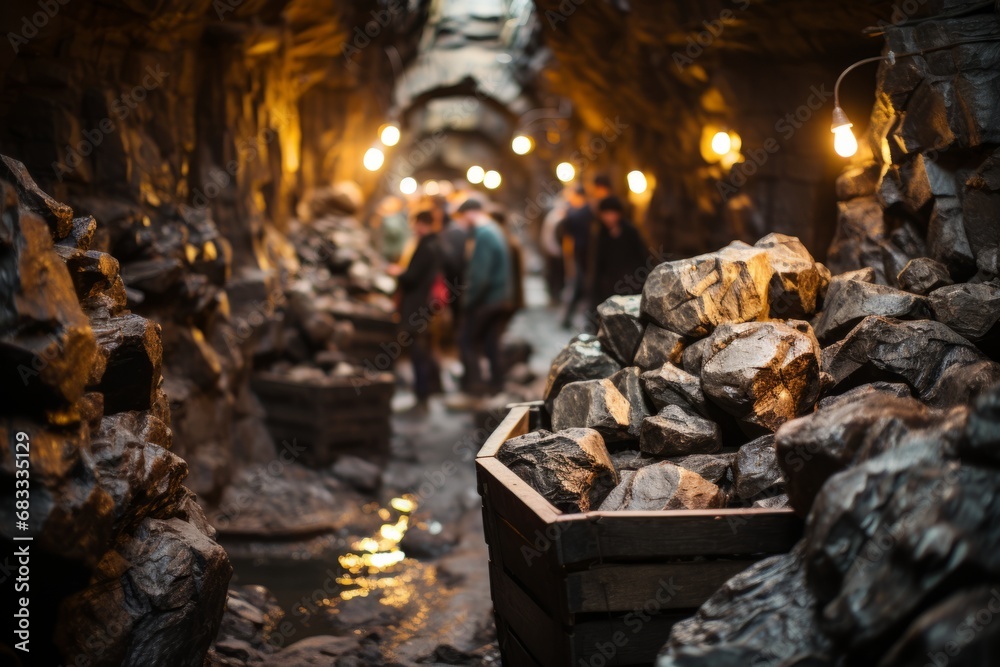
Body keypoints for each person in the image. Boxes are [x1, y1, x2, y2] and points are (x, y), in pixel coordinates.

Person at [453, 198, 511, 396]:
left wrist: (468, 301)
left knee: (466, 340)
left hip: (487, 300)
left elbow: (480, 276)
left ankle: (474, 386)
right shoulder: (493, 229)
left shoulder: (484, 234)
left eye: (462, 216)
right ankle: (497, 384)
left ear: (470, 213)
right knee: (490, 342)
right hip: (497, 297)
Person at [389, 210, 442, 412]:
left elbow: (412, 277)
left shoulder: (426, 246)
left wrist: (397, 273)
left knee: (419, 351)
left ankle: (422, 395)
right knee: (424, 349)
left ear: (421, 223)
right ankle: (430, 390)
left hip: (417, 305)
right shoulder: (435, 244)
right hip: (425, 305)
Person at [588, 195, 650, 311]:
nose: (609, 218)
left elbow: (643, 257)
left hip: (631, 285)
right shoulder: (600, 234)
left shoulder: (630, 231)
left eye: (612, 213)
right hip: (608, 288)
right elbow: (597, 263)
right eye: (606, 214)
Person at [558, 186, 595, 329]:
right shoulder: (586, 212)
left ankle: (579, 319)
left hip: (583, 255)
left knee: (580, 286)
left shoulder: (581, 213)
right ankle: (581, 319)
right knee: (579, 287)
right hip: (581, 255)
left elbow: (564, 228)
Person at [540, 192, 568, 305]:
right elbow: (549, 237)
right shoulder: (555, 218)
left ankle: (556, 296)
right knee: (555, 276)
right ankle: (554, 296)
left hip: (555, 252)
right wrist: (557, 251)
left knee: (557, 276)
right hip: (554, 253)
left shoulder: (554, 217)